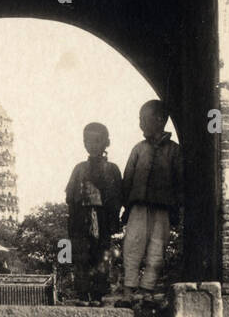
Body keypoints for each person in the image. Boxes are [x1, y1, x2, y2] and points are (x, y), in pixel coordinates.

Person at [116, 100, 183, 301]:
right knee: (132, 245)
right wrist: (126, 207)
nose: (141, 124)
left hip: (163, 208)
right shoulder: (139, 149)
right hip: (138, 206)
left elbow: (180, 181)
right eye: (140, 120)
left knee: (157, 248)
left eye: (145, 119)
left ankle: (147, 290)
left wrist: (176, 208)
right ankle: (129, 290)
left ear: (160, 120)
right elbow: (127, 179)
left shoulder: (174, 150)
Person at [64, 122, 123, 306]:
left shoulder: (112, 169)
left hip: (103, 218)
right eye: (88, 141)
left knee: (102, 256)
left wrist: (113, 219)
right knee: (81, 255)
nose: (92, 145)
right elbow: (70, 197)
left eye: (97, 141)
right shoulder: (79, 168)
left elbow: (117, 196)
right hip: (81, 217)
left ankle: (98, 295)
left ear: (106, 142)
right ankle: (82, 294)